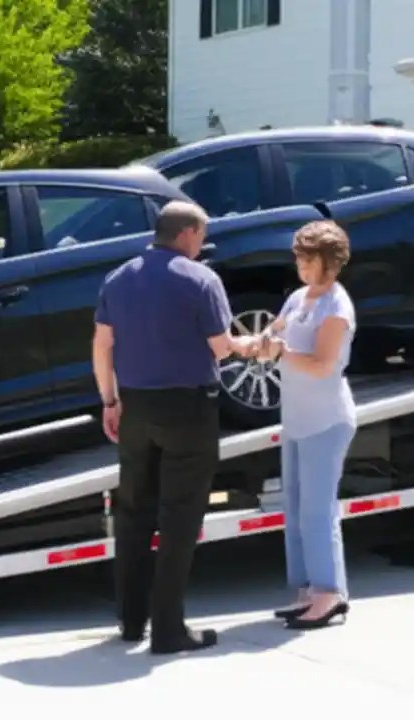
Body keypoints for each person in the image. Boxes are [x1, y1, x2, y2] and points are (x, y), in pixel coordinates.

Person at [92, 200, 257, 654]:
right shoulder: (200, 279)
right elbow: (221, 348)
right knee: (180, 519)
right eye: (201, 236)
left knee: (133, 513)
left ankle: (130, 622)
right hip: (188, 407)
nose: (202, 245)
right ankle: (168, 630)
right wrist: (255, 346)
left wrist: (109, 399)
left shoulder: (118, 278)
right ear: (187, 233)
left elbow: (102, 344)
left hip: (135, 408)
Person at [252, 219, 357, 630]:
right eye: (298, 255)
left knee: (317, 511)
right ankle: (307, 591)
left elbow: (323, 364)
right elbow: (275, 330)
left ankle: (330, 594)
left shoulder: (337, 307)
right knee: (295, 510)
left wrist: (280, 353)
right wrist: (262, 341)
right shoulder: (299, 298)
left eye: (305, 256)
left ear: (327, 262)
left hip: (326, 421)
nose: (298, 263)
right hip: (296, 421)